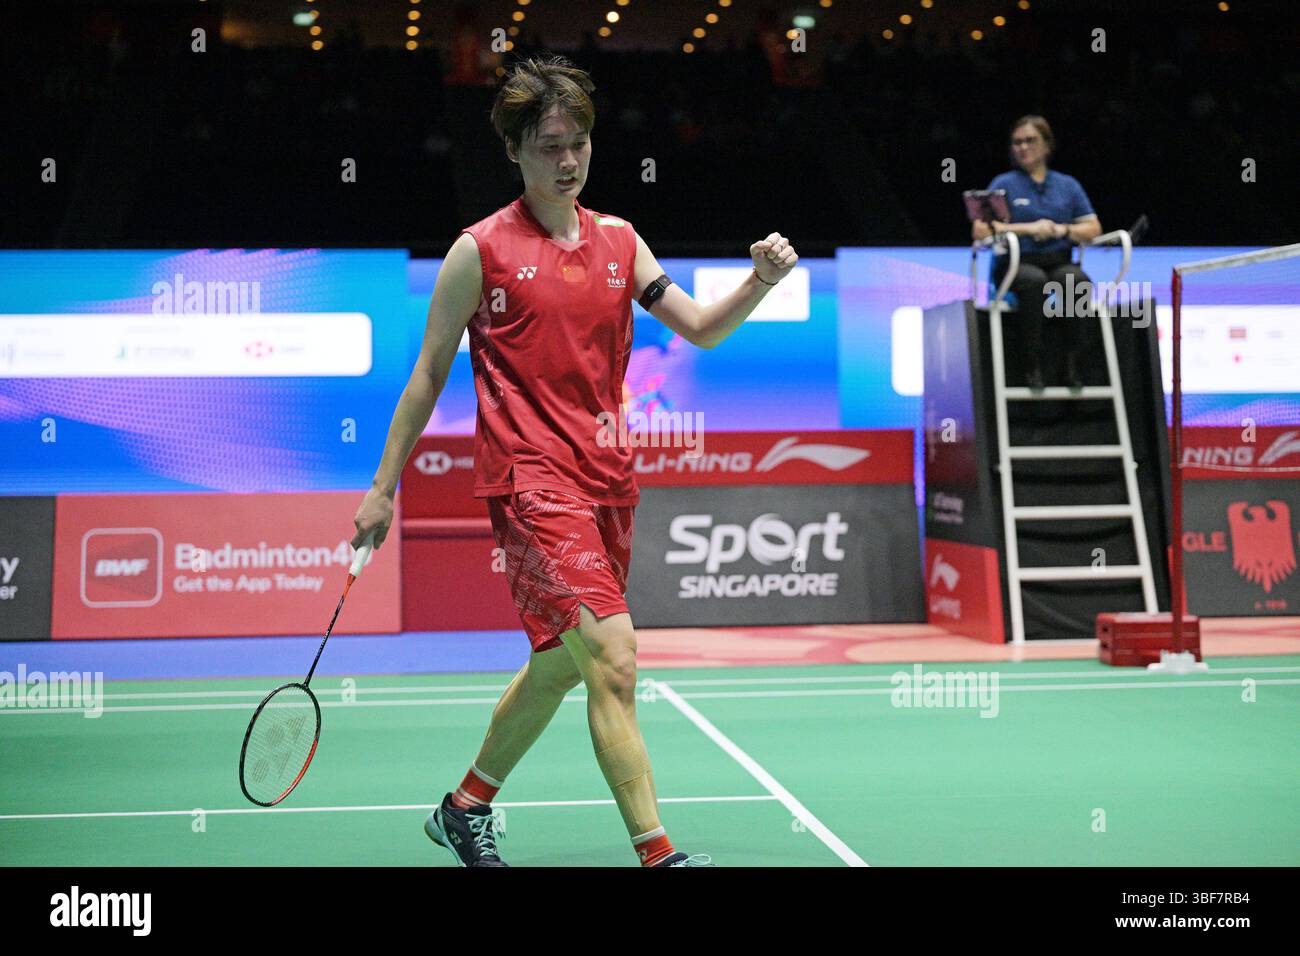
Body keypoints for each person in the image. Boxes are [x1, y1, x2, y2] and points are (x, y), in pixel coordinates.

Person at [350, 55, 798, 867]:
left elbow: (698, 326)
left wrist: (759, 283)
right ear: (516, 152)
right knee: (616, 658)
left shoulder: (622, 242)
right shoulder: (477, 251)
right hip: (530, 481)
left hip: (607, 481)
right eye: (551, 146)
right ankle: (658, 853)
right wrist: (383, 489)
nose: (568, 160)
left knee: (560, 664)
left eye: (580, 143)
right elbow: (426, 375)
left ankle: (464, 807)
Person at [972, 115, 1102, 390]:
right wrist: (1029, 228)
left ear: (1046, 146)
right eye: (1017, 142)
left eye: (1030, 140)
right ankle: (1032, 365)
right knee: (1034, 282)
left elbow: (1093, 229)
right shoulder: (1003, 183)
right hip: (1015, 264)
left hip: (1058, 260)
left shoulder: (1068, 185)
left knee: (1076, 282)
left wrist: (1061, 230)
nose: (1023, 147)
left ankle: (1072, 364)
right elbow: (981, 230)